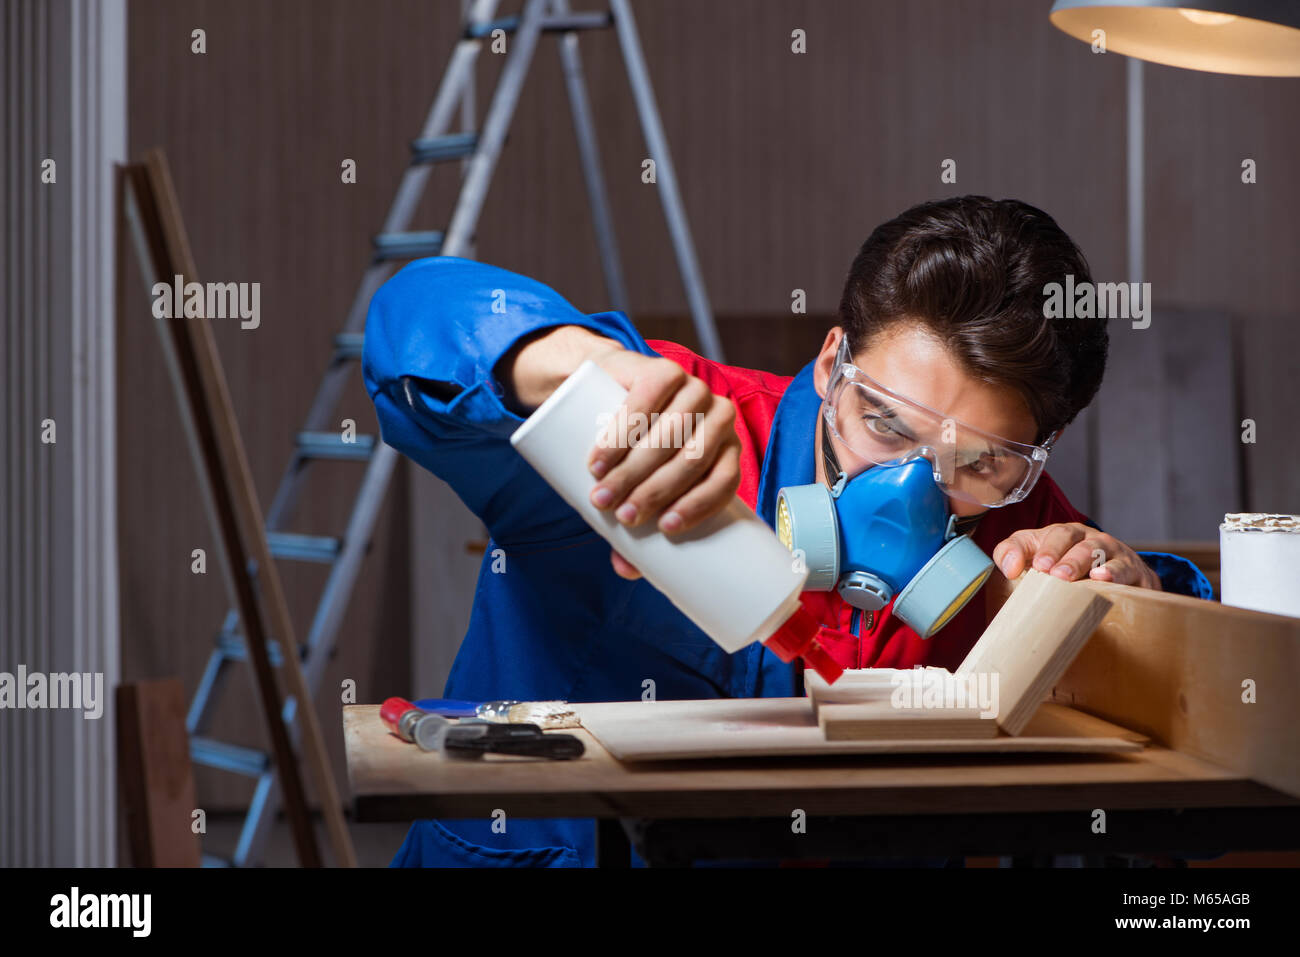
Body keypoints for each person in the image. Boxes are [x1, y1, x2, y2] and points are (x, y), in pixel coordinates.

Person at [362, 195, 1211, 867]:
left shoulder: (1028, 538)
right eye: (882, 421)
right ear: (831, 360)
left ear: (1036, 452)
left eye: (978, 463)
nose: (913, 486)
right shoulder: (665, 430)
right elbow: (408, 324)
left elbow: (1193, 768)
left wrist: (1141, 596)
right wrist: (578, 366)